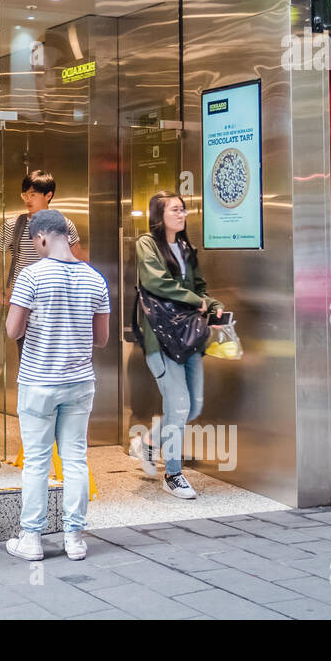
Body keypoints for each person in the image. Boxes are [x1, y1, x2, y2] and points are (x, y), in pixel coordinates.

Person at [4, 209, 110, 562]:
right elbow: (102, 339)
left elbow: (12, 330)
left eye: (35, 242)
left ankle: (31, 540)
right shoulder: (96, 279)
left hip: (38, 382)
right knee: (75, 459)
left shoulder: (30, 276)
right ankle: (74, 538)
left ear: (42, 238)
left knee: (36, 462)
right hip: (79, 383)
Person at [129, 191, 226, 500]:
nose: (181, 214)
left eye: (183, 209)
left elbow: (199, 287)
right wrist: (196, 300)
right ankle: (173, 473)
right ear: (159, 214)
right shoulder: (147, 243)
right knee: (179, 405)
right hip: (160, 335)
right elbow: (156, 282)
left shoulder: (186, 247)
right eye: (174, 209)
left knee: (191, 406)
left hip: (188, 335)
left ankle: (147, 444)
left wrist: (211, 303)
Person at [0, 170, 86, 304]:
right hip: (23, 296)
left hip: (56, 297)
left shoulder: (65, 225)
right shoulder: (13, 225)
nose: (28, 199)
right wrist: (0, 292)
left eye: (33, 195)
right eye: (25, 195)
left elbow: (79, 261)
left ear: (48, 195)